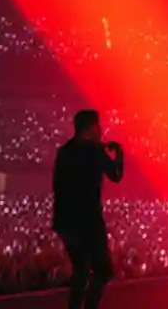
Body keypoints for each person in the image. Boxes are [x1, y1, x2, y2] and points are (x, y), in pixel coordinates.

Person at [52, 109, 123, 309]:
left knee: (81, 271)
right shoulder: (94, 151)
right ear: (91, 128)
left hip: (66, 222)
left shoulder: (64, 151)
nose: (101, 130)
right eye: (98, 126)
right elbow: (116, 175)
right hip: (89, 221)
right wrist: (119, 155)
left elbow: (57, 185)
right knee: (103, 269)